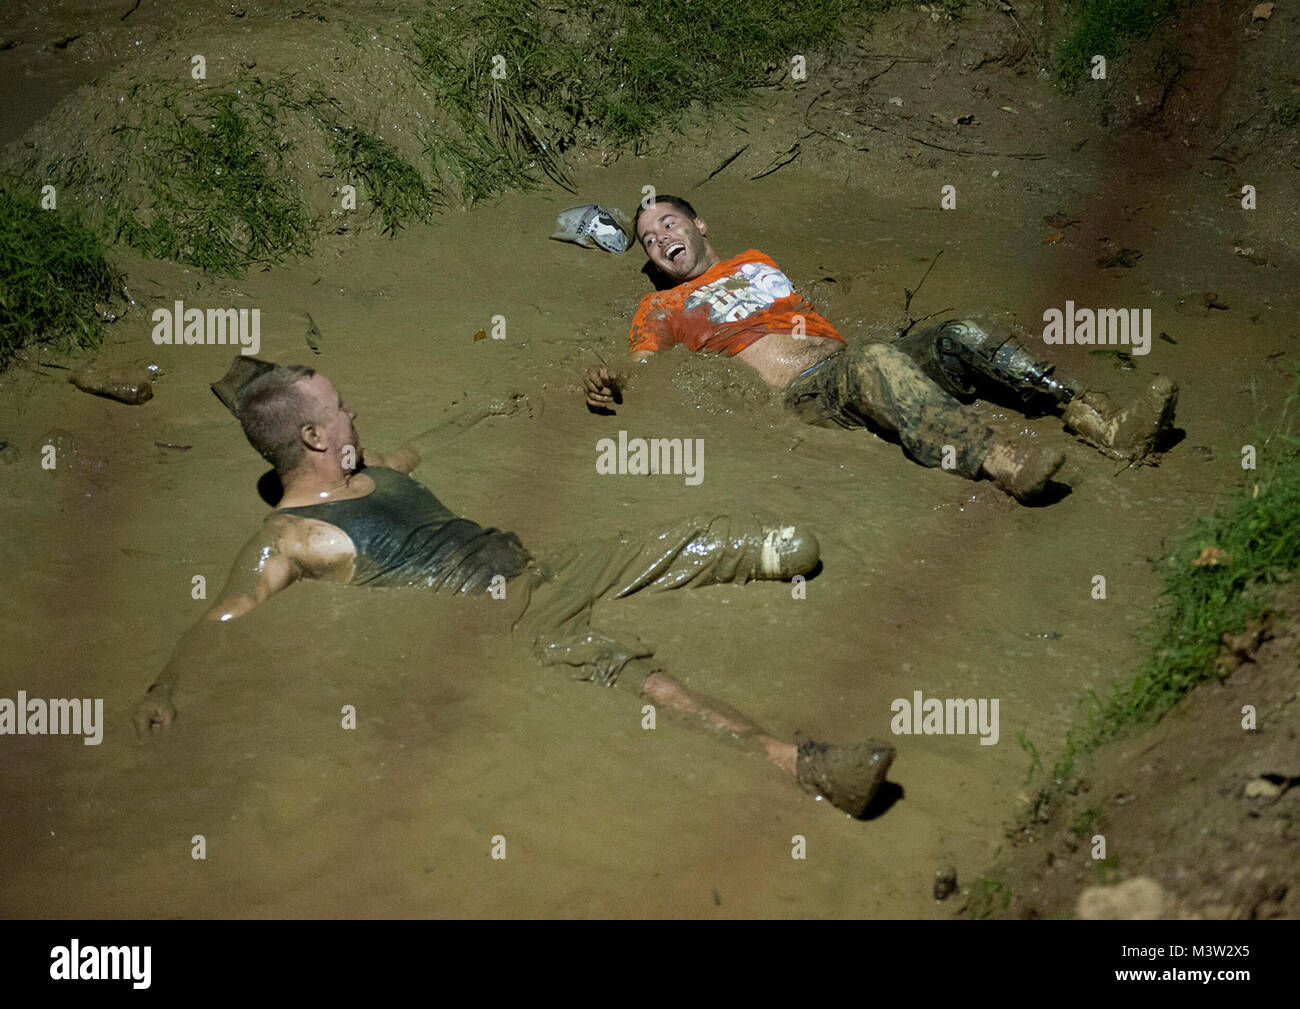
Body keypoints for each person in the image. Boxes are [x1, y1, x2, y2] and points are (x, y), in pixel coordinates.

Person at [132, 358, 896, 818]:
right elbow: (224, 616)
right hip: (509, 618)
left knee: (783, 546)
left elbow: (426, 441)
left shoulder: (376, 470)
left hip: (543, 565)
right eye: (340, 406)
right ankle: (797, 762)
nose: (354, 410)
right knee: (654, 685)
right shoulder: (291, 537)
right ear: (313, 437)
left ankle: (773, 560)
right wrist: (166, 688)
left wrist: (495, 406)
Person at [583, 195, 1179, 503]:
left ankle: (1099, 419)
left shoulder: (757, 259)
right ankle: (1005, 464)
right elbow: (645, 371)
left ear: (699, 225)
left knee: (960, 333)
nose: (660, 237)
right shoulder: (657, 309)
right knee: (873, 360)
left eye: (668, 223)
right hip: (806, 394)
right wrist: (613, 384)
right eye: (648, 238)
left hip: (850, 362)